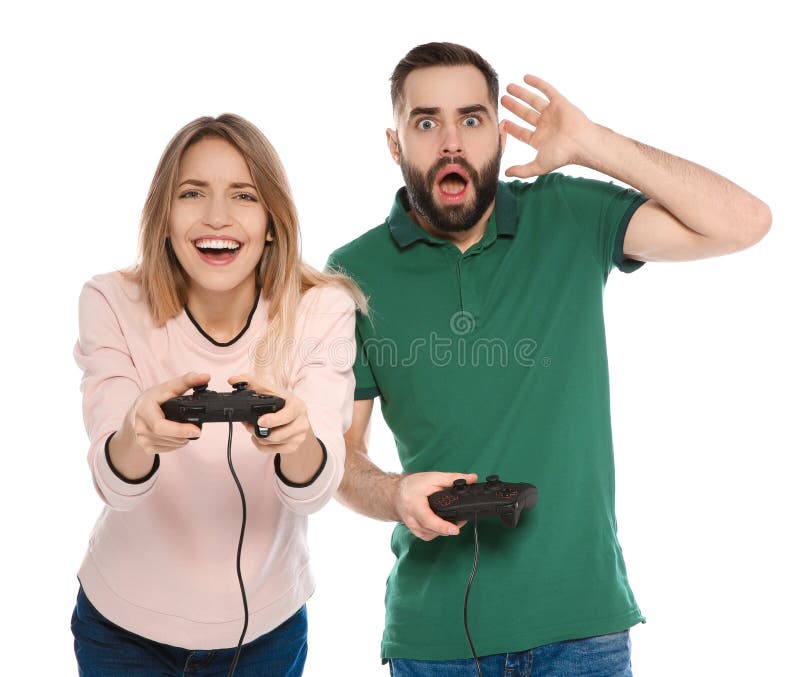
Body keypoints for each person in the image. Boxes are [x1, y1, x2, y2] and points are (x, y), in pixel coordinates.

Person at [327, 42, 771, 677]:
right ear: (395, 144)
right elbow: (338, 454)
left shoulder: (566, 214)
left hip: (581, 628)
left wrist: (592, 142)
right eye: (426, 123)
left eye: (472, 120)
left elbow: (743, 223)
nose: (451, 142)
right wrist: (395, 493)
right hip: (435, 641)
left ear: (499, 136)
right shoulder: (353, 273)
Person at [71, 113, 365, 676]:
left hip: (266, 632)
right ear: (163, 217)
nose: (216, 218)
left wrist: (297, 436)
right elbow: (114, 486)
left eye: (243, 195)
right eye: (192, 193)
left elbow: (313, 492)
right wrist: (139, 431)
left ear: (273, 221)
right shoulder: (109, 301)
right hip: (121, 628)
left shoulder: (323, 309)